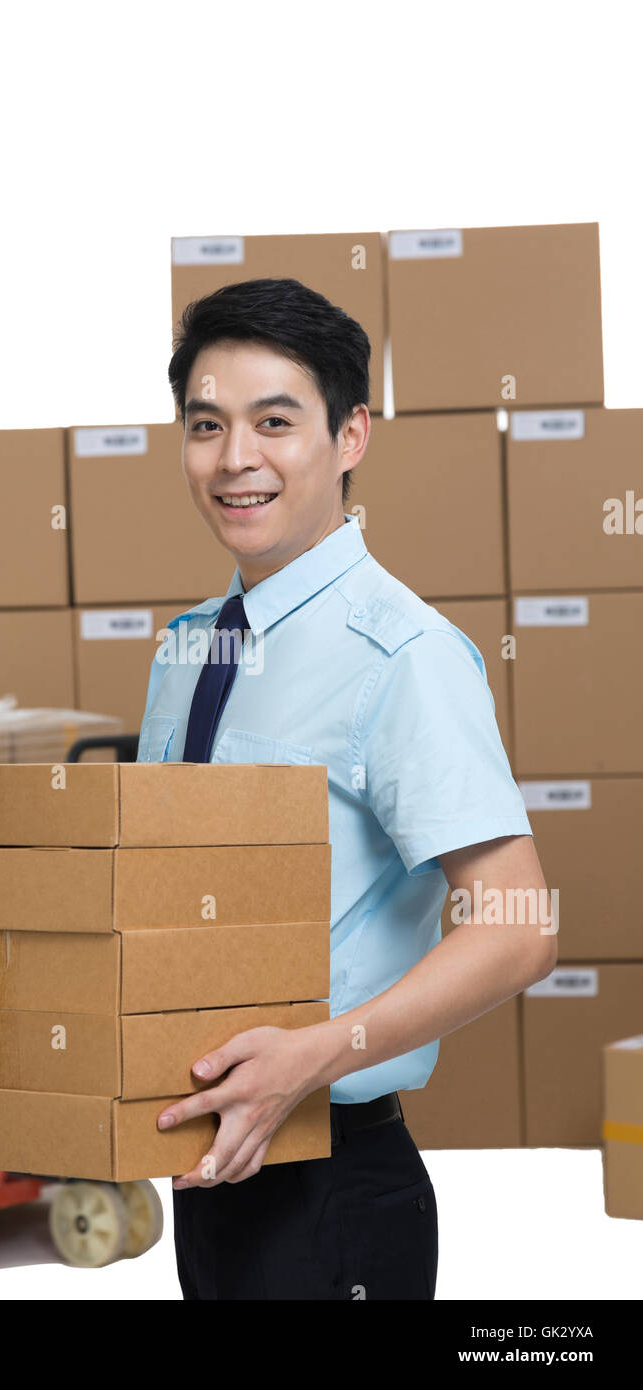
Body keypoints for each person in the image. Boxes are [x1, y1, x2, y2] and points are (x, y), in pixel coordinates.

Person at [136, 277, 557, 1301]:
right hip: (209, 1168)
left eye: (273, 422)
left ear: (350, 435)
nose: (234, 458)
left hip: (331, 1188)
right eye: (206, 425)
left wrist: (317, 1053)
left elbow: (518, 924)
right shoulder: (188, 650)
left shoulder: (403, 656)